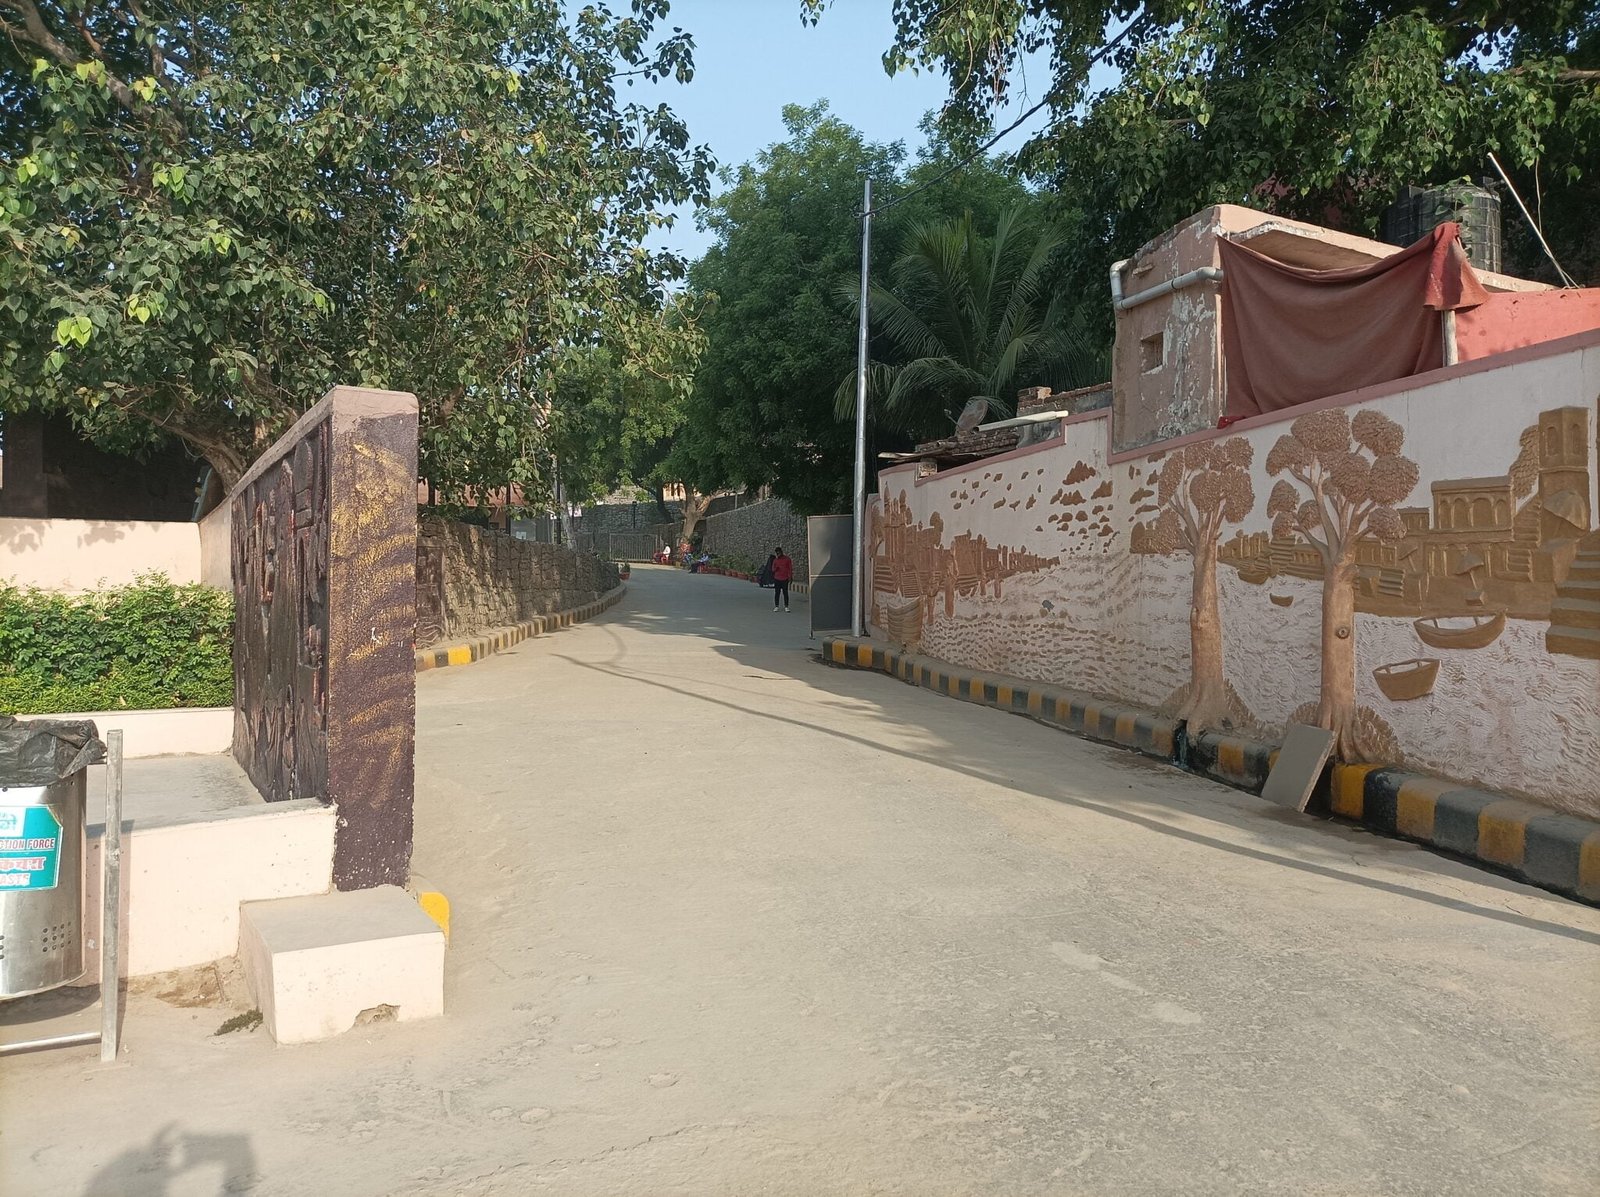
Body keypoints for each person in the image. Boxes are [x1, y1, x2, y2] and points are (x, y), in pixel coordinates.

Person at [770, 546, 793, 612]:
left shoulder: (787, 559)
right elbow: (772, 569)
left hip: (785, 578)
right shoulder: (775, 560)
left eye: (779, 553)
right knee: (777, 593)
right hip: (777, 578)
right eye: (777, 553)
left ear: (781, 552)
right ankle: (776, 606)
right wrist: (776, 568)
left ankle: (786, 606)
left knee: (785, 593)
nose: (778, 554)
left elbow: (790, 569)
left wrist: (790, 577)